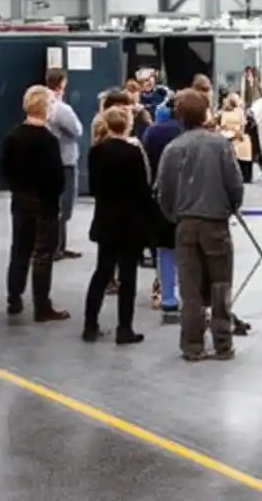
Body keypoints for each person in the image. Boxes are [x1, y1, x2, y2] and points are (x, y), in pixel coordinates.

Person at [155, 89, 244, 362]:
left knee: (190, 288)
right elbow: (235, 185)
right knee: (220, 283)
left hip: (185, 224)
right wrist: (229, 208)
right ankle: (222, 344)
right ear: (206, 112)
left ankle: (192, 345)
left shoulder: (172, 149)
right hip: (216, 221)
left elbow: (164, 192)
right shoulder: (220, 146)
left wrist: (176, 216)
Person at [84, 107, 156, 345]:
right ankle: (124, 328)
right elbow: (141, 190)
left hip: (105, 218)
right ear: (126, 126)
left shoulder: (96, 152)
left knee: (102, 272)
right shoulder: (132, 153)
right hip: (130, 221)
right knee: (128, 276)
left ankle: (90, 324)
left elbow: (94, 188)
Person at [2, 85, 70, 322]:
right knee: (42, 253)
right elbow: (56, 177)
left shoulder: (13, 135)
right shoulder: (48, 140)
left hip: (21, 199)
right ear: (46, 108)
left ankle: (14, 298)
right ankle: (42, 305)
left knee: (19, 249)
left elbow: (4, 169)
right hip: (45, 203)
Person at [143, 93, 185, 321]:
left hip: (161, 198)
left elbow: (147, 162)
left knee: (165, 250)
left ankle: (168, 296)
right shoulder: (192, 135)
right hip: (190, 200)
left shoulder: (153, 132)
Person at [46, 69, 84, 261]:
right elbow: (77, 130)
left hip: (49, 162)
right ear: (62, 83)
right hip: (66, 161)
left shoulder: (42, 104)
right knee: (64, 206)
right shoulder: (61, 108)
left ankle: (60, 244)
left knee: (55, 204)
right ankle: (56, 246)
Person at [219, 92, 255, 182]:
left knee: (245, 142)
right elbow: (223, 125)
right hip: (228, 133)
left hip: (238, 133)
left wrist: (239, 132)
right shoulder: (225, 112)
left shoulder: (240, 112)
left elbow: (243, 125)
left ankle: (245, 174)